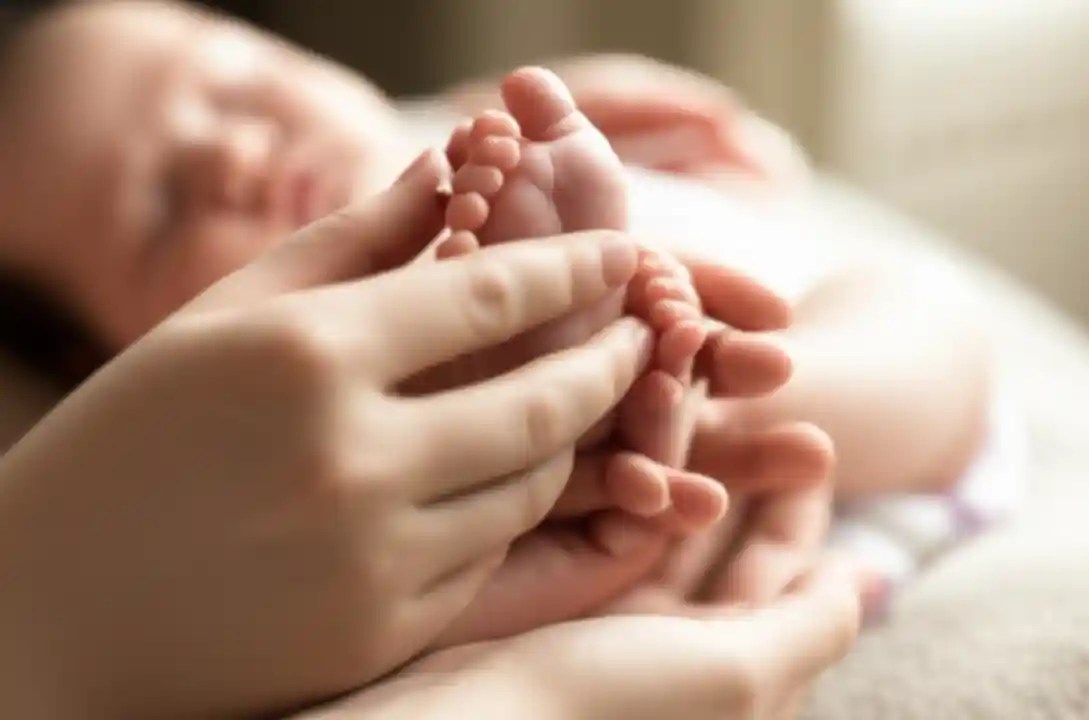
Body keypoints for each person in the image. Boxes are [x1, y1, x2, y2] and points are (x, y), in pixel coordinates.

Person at [0, 159, 859, 718]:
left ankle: (719, 396)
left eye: (233, 68)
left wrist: (718, 398)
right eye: (163, 201)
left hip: (764, 398)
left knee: (879, 341)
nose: (238, 151)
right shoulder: (272, 551)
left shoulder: (453, 158)